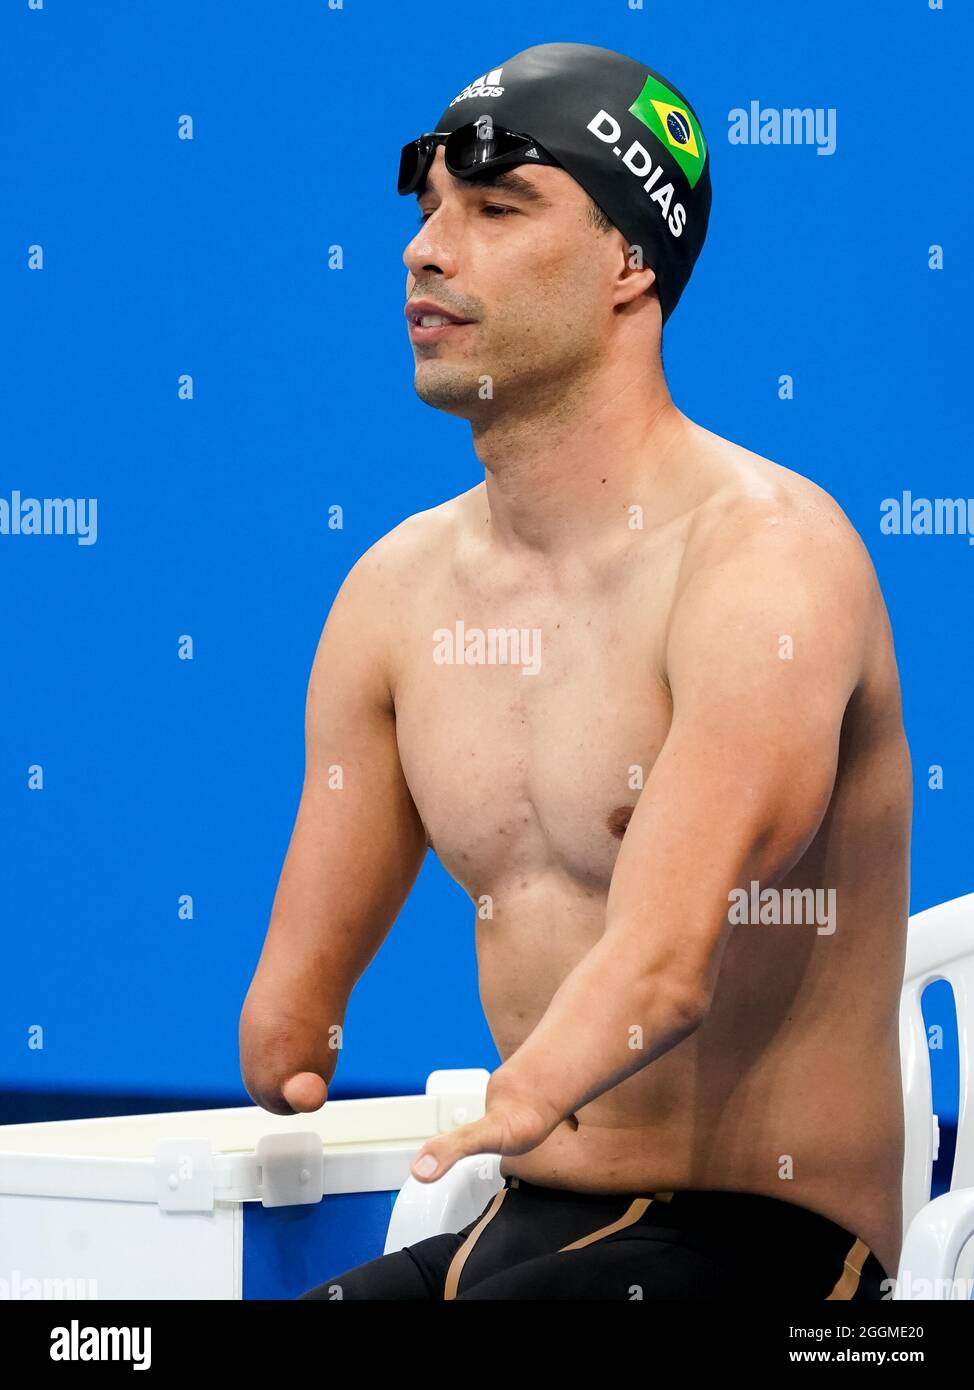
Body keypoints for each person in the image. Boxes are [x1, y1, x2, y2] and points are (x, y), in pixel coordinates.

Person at [239, 42, 910, 1300]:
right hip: (525, 1223)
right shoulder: (395, 594)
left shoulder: (765, 559)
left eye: (495, 210)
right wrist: (287, 1045)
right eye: (427, 209)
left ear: (628, 263)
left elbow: (662, 967)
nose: (426, 251)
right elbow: (289, 1021)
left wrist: (519, 1095)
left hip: (772, 1250)